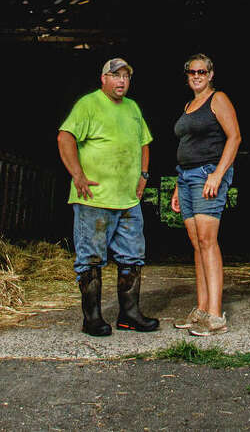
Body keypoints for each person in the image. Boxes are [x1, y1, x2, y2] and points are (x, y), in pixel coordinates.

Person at [56, 57, 160, 336]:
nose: (121, 81)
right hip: (94, 198)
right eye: (116, 76)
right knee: (90, 259)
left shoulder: (133, 108)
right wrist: (77, 174)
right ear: (104, 79)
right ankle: (92, 318)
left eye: (126, 76)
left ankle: (129, 315)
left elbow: (144, 143)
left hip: (128, 200)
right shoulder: (88, 104)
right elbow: (65, 137)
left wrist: (144, 175)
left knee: (132, 257)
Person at [168, 52, 240, 335]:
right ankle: (200, 309)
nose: (196, 76)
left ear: (210, 75)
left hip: (207, 174)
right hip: (186, 177)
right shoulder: (189, 105)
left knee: (208, 241)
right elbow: (186, 145)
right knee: (197, 242)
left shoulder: (218, 99)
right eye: (191, 72)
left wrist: (218, 174)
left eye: (201, 72)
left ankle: (215, 315)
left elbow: (234, 137)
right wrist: (177, 184)